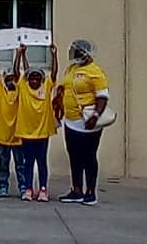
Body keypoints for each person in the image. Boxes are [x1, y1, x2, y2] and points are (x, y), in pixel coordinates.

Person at [59, 39, 110, 206]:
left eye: (77, 52)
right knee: (74, 156)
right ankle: (76, 190)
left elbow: (102, 96)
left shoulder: (95, 72)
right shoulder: (72, 68)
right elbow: (66, 86)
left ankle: (90, 192)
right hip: (70, 120)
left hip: (86, 120)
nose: (74, 55)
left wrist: (95, 115)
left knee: (88, 156)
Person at [14, 43, 58, 202]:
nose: (34, 80)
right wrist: (20, 54)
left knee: (42, 162)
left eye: (37, 77)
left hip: (42, 132)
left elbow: (53, 74)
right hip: (26, 132)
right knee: (28, 163)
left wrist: (54, 55)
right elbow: (18, 72)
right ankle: (28, 189)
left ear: (41, 79)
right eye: (31, 77)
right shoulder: (23, 87)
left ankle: (43, 189)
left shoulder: (46, 86)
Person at [0, 46, 26, 198]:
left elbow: (19, 73)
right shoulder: (0, 90)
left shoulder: (20, 90)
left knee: (20, 165)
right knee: (3, 164)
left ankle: (23, 187)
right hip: (2, 136)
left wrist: (19, 54)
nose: (11, 81)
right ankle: (3, 187)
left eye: (13, 78)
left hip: (17, 136)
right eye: (8, 78)